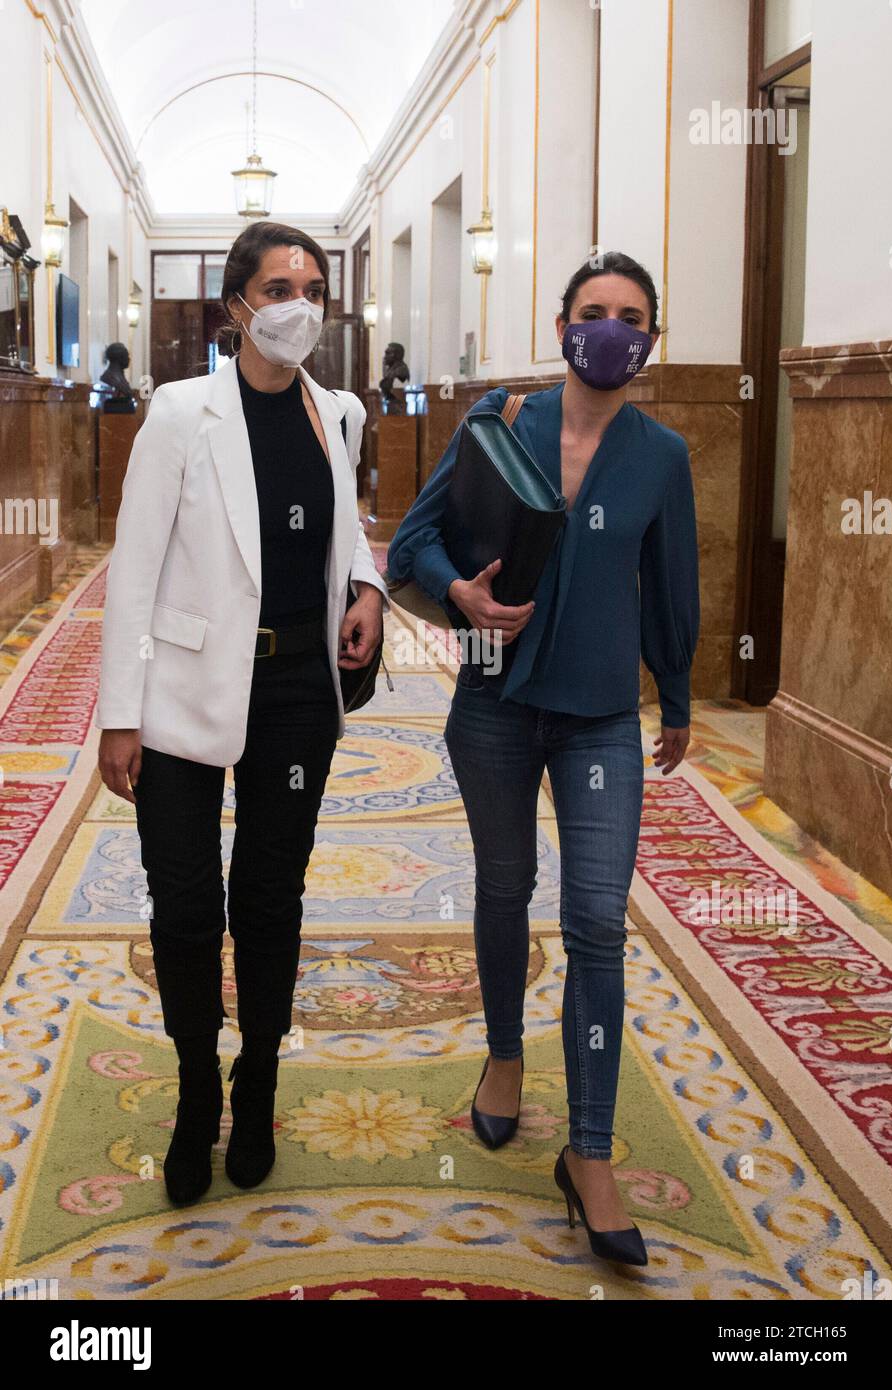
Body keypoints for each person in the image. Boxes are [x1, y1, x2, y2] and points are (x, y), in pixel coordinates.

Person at [387, 251, 700, 1266]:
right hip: (492, 704)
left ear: (652, 338)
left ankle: (593, 1151)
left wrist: (682, 696)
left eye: (632, 316)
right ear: (561, 322)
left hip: (602, 716)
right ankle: (506, 1059)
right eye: (594, 312)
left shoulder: (662, 455)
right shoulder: (500, 424)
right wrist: (462, 596)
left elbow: (673, 587)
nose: (611, 329)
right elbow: (411, 547)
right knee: (503, 888)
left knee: (598, 920)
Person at [95, 221, 389, 1206]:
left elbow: (352, 535)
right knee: (184, 906)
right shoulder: (180, 415)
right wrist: (118, 713)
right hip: (181, 690)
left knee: (270, 900)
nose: (295, 304)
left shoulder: (337, 414)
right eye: (275, 288)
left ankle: (255, 1081)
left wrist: (366, 589)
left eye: (310, 286)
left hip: (300, 691)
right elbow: (132, 571)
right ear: (237, 307)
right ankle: (191, 1092)